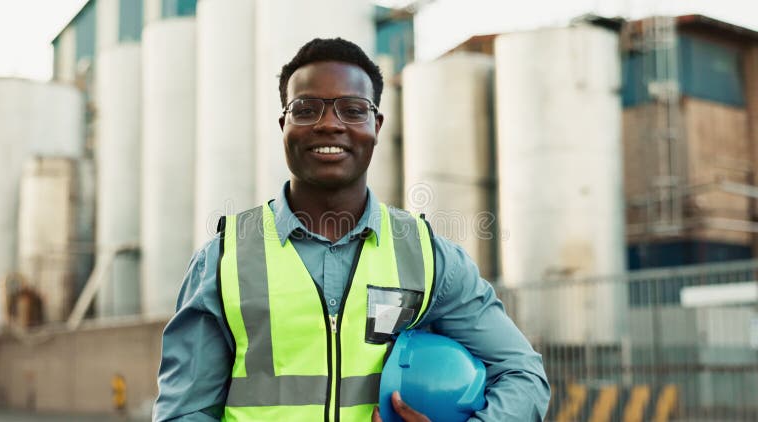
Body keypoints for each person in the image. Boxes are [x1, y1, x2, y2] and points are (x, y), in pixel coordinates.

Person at [153, 37, 549, 421]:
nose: (329, 124)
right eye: (306, 108)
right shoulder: (223, 261)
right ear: (283, 125)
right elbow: (183, 411)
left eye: (352, 109)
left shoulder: (429, 257)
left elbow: (523, 376)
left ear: (376, 125)